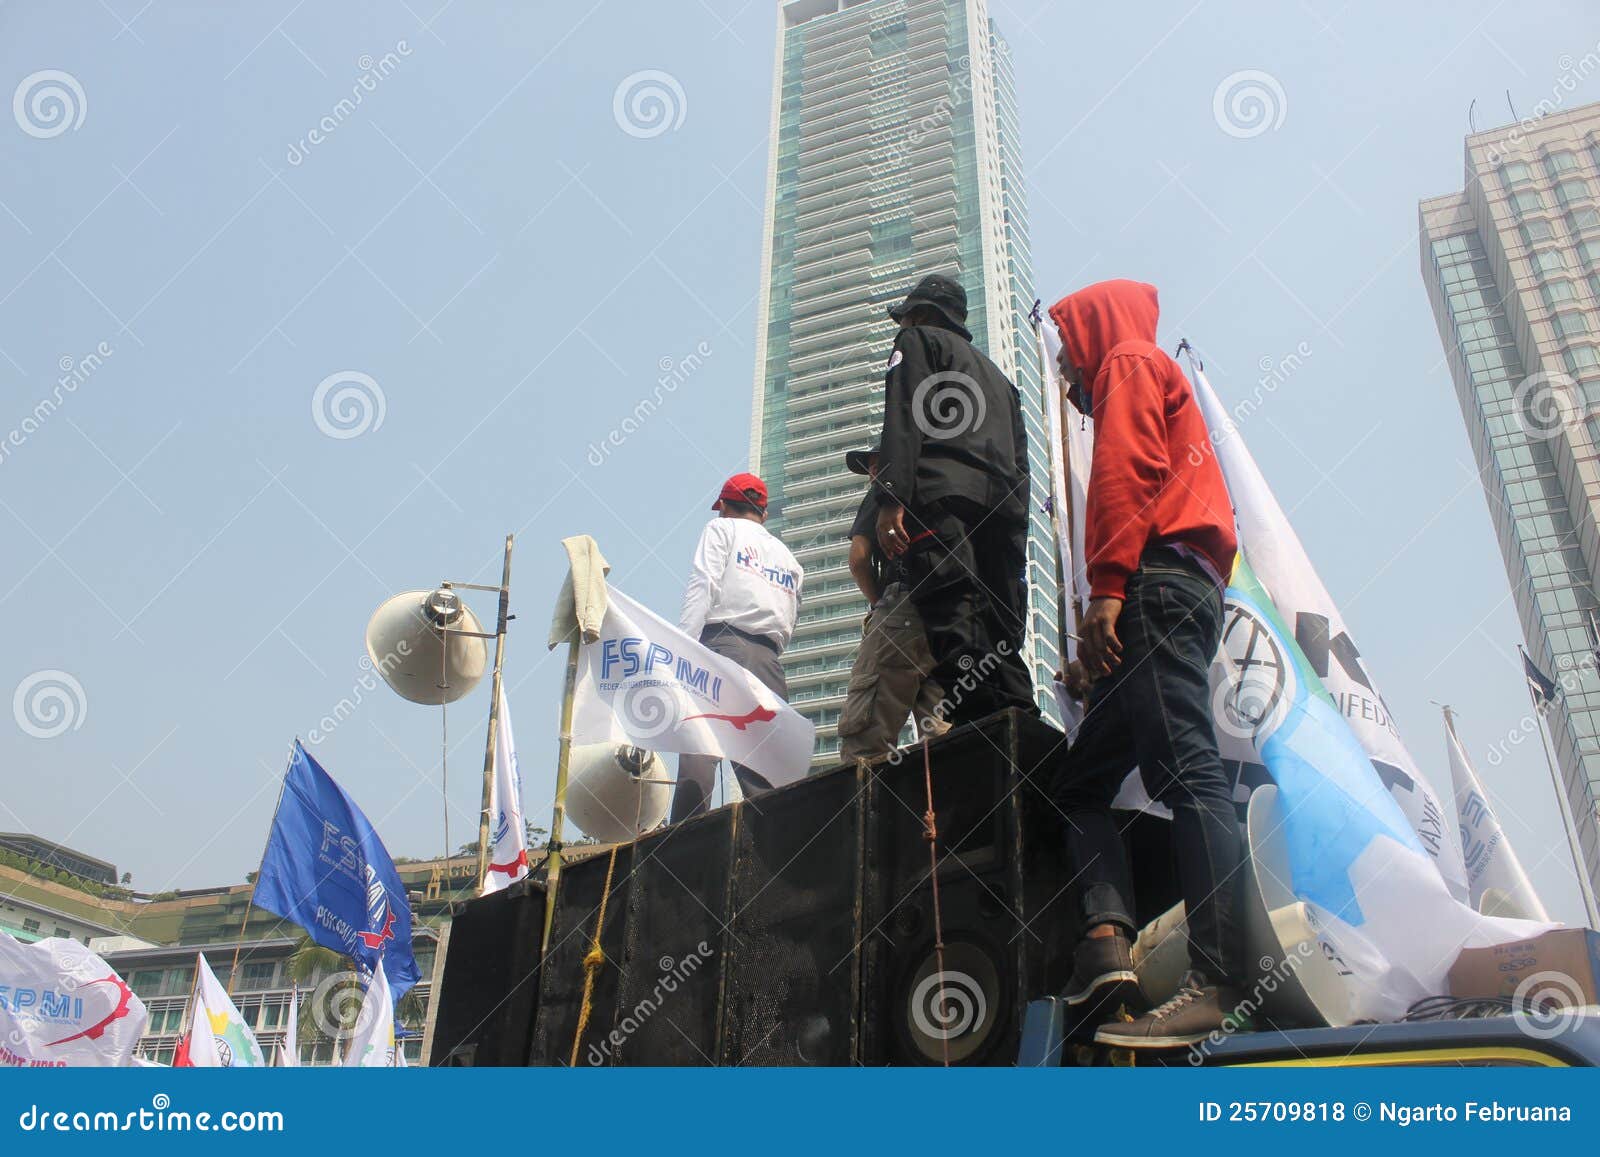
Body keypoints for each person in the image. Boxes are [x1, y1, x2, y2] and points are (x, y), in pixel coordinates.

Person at [1045, 279, 1244, 1048]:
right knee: (1079, 781)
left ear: (1094, 332)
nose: (1066, 372)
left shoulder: (1128, 359)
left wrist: (1105, 592)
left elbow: (1125, 473)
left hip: (1154, 581)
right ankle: (1107, 947)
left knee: (1186, 772)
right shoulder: (1146, 369)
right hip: (1167, 587)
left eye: (1067, 352)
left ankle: (1219, 978)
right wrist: (1096, 660)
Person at [873, 273, 1037, 726]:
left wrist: (892, 496)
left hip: (943, 499)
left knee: (956, 620)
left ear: (921, 314)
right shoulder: (1001, 379)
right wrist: (1016, 530)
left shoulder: (916, 340)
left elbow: (904, 415)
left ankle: (982, 733)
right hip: (1002, 510)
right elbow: (1023, 463)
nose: (899, 325)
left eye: (904, 316)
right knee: (1001, 632)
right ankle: (1020, 725)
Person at [673, 472, 804, 822]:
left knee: (701, 741)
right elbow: (788, 619)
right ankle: (773, 847)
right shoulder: (788, 558)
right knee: (763, 764)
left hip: (722, 645)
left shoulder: (721, 530)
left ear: (727, 507)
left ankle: (685, 843)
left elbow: (702, 585)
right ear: (763, 512)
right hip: (769, 660)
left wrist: (681, 648)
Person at [836, 445, 949, 764]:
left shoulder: (882, 494)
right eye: (869, 467)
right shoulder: (938, 488)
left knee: (865, 740)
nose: (872, 473)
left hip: (901, 610)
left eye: (876, 464)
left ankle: (869, 812)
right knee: (944, 737)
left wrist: (878, 605)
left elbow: (858, 559)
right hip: (948, 615)